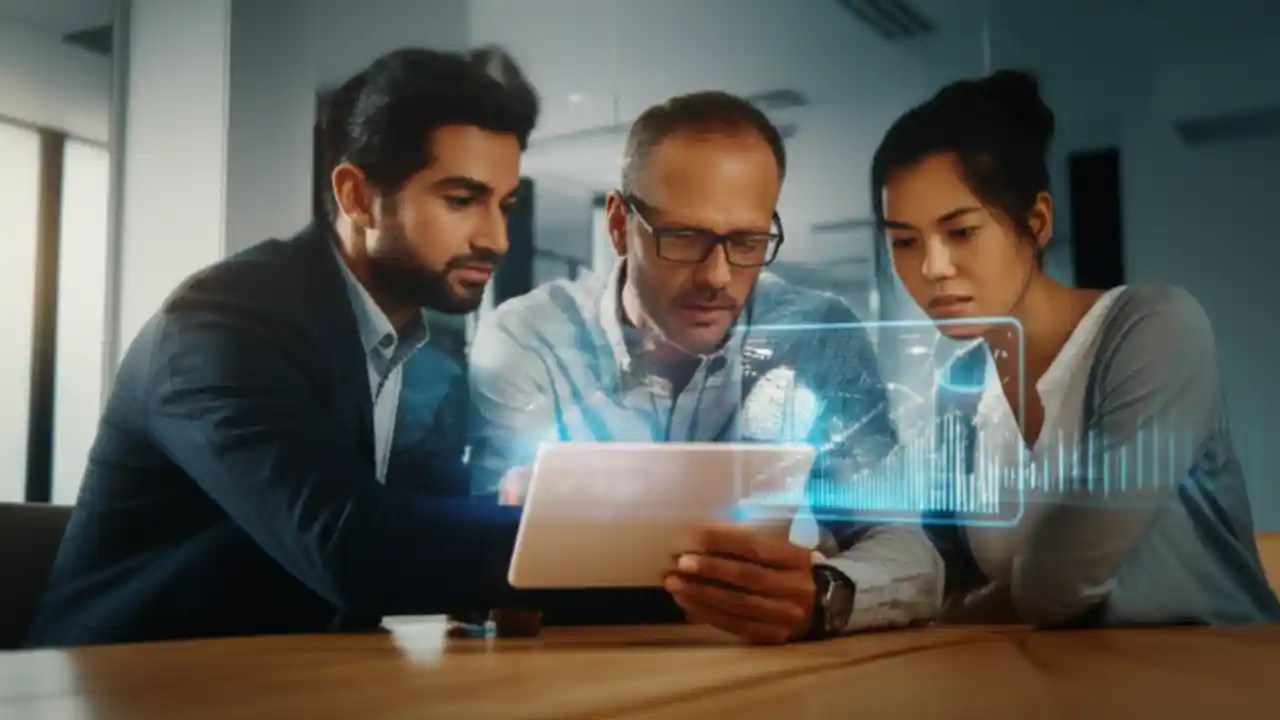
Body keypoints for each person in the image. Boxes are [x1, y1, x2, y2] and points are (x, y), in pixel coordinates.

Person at [27, 47, 540, 647]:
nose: (497, 239)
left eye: (505, 205)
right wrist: (556, 539)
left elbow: (436, 546)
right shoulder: (219, 324)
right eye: (461, 200)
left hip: (307, 680)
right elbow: (353, 548)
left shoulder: (431, 358)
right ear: (355, 196)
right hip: (127, 684)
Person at [469, 91, 942, 644]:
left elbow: (912, 553)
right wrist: (496, 574)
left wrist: (825, 594)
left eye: (747, 241)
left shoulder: (816, 338)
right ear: (620, 225)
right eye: (684, 238)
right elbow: (484, 573)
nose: (717, 276)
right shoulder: (528, 338)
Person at [871, 69, 1280, 627]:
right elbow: (944, 576)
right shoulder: (960, 390)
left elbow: (1057, 581)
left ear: (1036, 222)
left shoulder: (1156, 330)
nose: (931, 268)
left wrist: (977, 607)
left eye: (961, 232)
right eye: (904, 241)